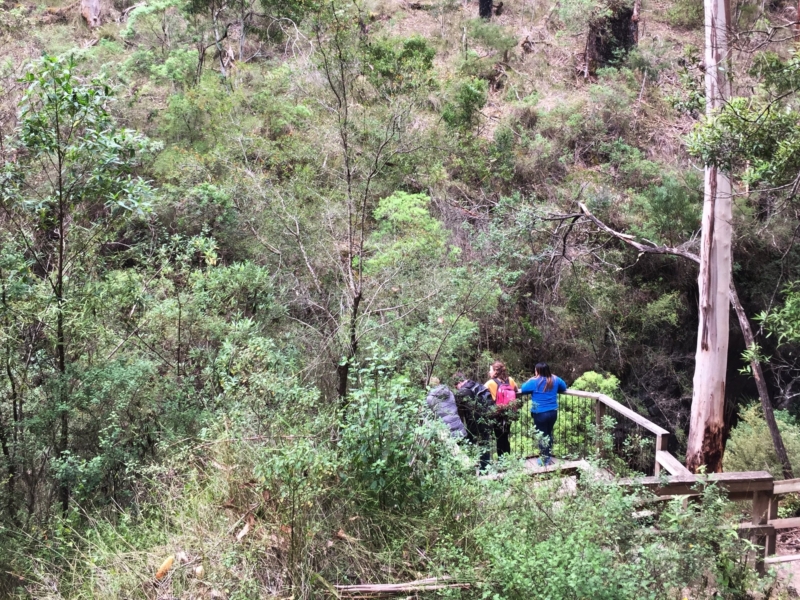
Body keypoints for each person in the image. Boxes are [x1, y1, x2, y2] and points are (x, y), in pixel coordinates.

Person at [520, 362, 567, 466]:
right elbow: (564, 387)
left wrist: (530, 379)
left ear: (537, 371)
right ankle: (547, 456)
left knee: (542, 436)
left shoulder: (534, 381)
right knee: (548, 434)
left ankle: (544, 460)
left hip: (540, 413)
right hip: (553, 412)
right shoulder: (555, 379)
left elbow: (523, 388)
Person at [453, 373, 493, 471]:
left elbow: (459, 411)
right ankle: (485, 469)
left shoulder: (462, 392)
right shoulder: (477, 385)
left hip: (473, 423)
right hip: (486, 418)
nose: (456, 388)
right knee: (485, 444)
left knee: (469, 444)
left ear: (459, 383)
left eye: (456, 386)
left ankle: (469, 469)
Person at [484, 361, 520, 458]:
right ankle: (508, 458)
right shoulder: (510, 380)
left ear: (495, 371)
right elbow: (516, 389)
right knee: (505, 436)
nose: (489, 372)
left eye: (490, 370)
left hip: (498, 414)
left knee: (499, 438)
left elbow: (481, 391)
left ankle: (502, 460)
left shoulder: (490, 383)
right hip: (509, 413)